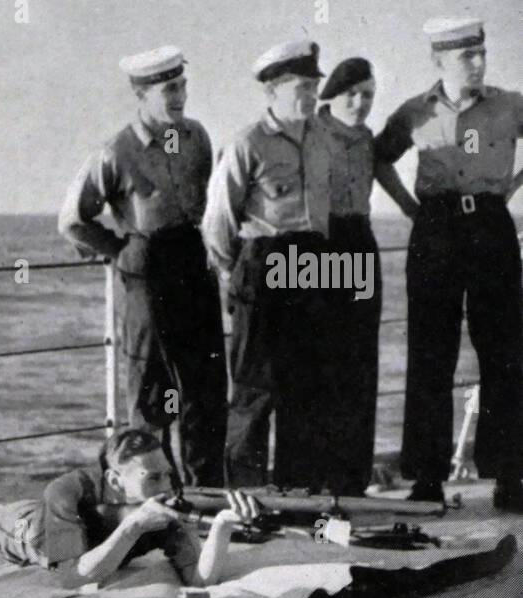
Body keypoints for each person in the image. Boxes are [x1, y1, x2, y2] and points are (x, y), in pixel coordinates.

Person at [59, 46, 227, 486]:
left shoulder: (196, 138)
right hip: (147, 274)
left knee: (205, 385)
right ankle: (153, 490)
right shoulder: (117, 150)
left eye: (182, 85)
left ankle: (205, 489)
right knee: (154, 389)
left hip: (194, 264)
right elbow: (73, 220)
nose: (180, 96)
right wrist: (120, 251)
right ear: (141, 93)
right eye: (169, 89)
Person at [373, 17, 523, 510]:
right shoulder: (414, 112)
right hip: (435, 230)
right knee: (430, 353)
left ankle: (509, 474)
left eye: (481, 54)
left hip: (491, 228)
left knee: (504, 351)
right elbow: (379, 158)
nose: (478, 64)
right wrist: (408, 209)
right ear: (439, 61)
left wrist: (510, 187)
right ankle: (427, 477)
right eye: (465, 57)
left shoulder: (509, 105)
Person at [0, 428, 261, 586]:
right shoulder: (69, 490)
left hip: (44, 519)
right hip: (26, 532)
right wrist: (133, 528)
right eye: (151, 478)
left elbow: (200, 579)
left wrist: (224, 524)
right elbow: (75, 577)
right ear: (115, 481)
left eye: (167, 475)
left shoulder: (159, 506)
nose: (166, 487)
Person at [202, 40, 334, 491]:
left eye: (314, 85)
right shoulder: (247, 143)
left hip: (313, 263)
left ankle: (299, 490)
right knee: (255, 389)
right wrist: (232, 278)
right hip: (263, 261)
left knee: (307, 385)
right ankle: (247, 494)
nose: (312, 95)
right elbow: (218, 221)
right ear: (273, 91)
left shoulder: (322, 138)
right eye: (302, 86)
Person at [317, 57, 383, 495]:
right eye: (351, 96)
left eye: (367, 96)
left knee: (361, 360)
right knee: (319, 359)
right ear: (330, 97)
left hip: (359, 239)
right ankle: (317, 476)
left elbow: (388, 167)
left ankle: (353, 479)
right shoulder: (308, 132)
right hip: (319, 244)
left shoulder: (367, 139)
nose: (359, 104)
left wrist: (412, 208)